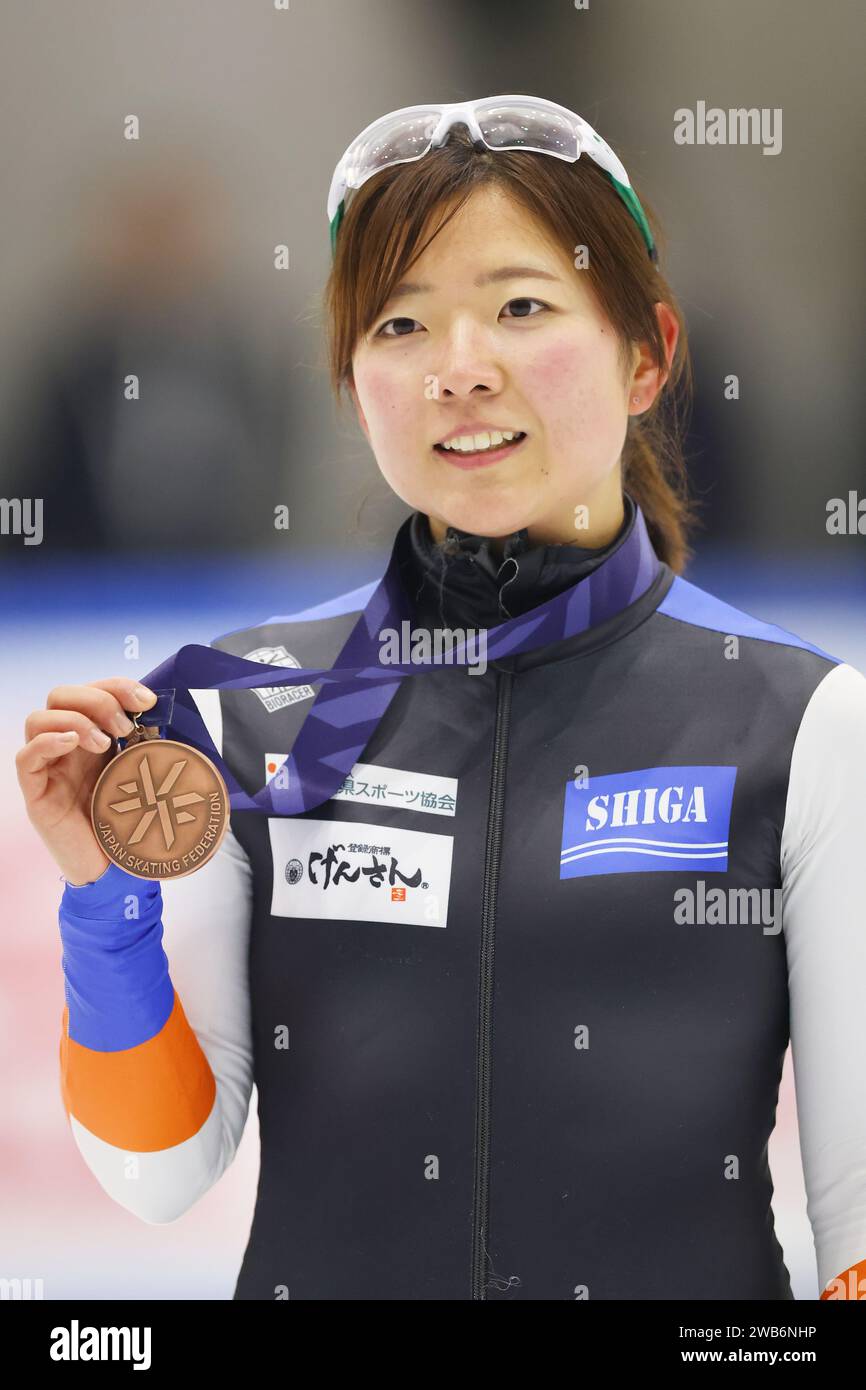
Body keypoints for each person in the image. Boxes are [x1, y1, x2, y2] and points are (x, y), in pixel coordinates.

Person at [16, 96, 866, 1301]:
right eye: (400, 323)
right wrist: (106, 899)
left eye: (520, 306)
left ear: (645, 354)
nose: (458, 369)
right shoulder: (249, 712)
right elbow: (157, 1171)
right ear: (352, 381)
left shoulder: (803, 722)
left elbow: (856, 1213)